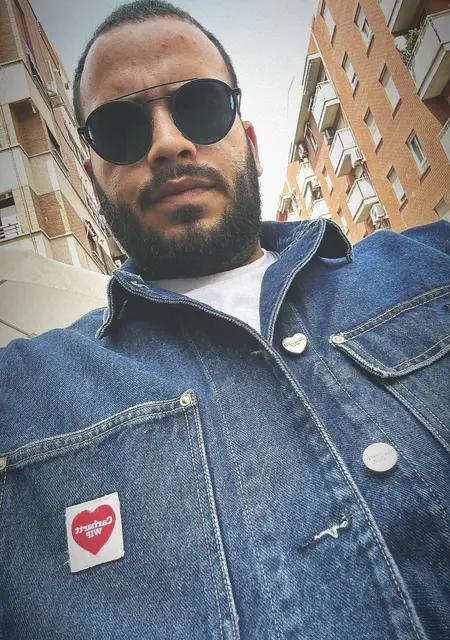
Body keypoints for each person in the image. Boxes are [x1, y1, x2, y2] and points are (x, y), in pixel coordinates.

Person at [1, 1, 449, 638]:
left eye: (202, 106)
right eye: (120, 128)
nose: (167, 143)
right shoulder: (24, 399)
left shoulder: (432, 267)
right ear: (92, 178)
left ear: (252, 143)